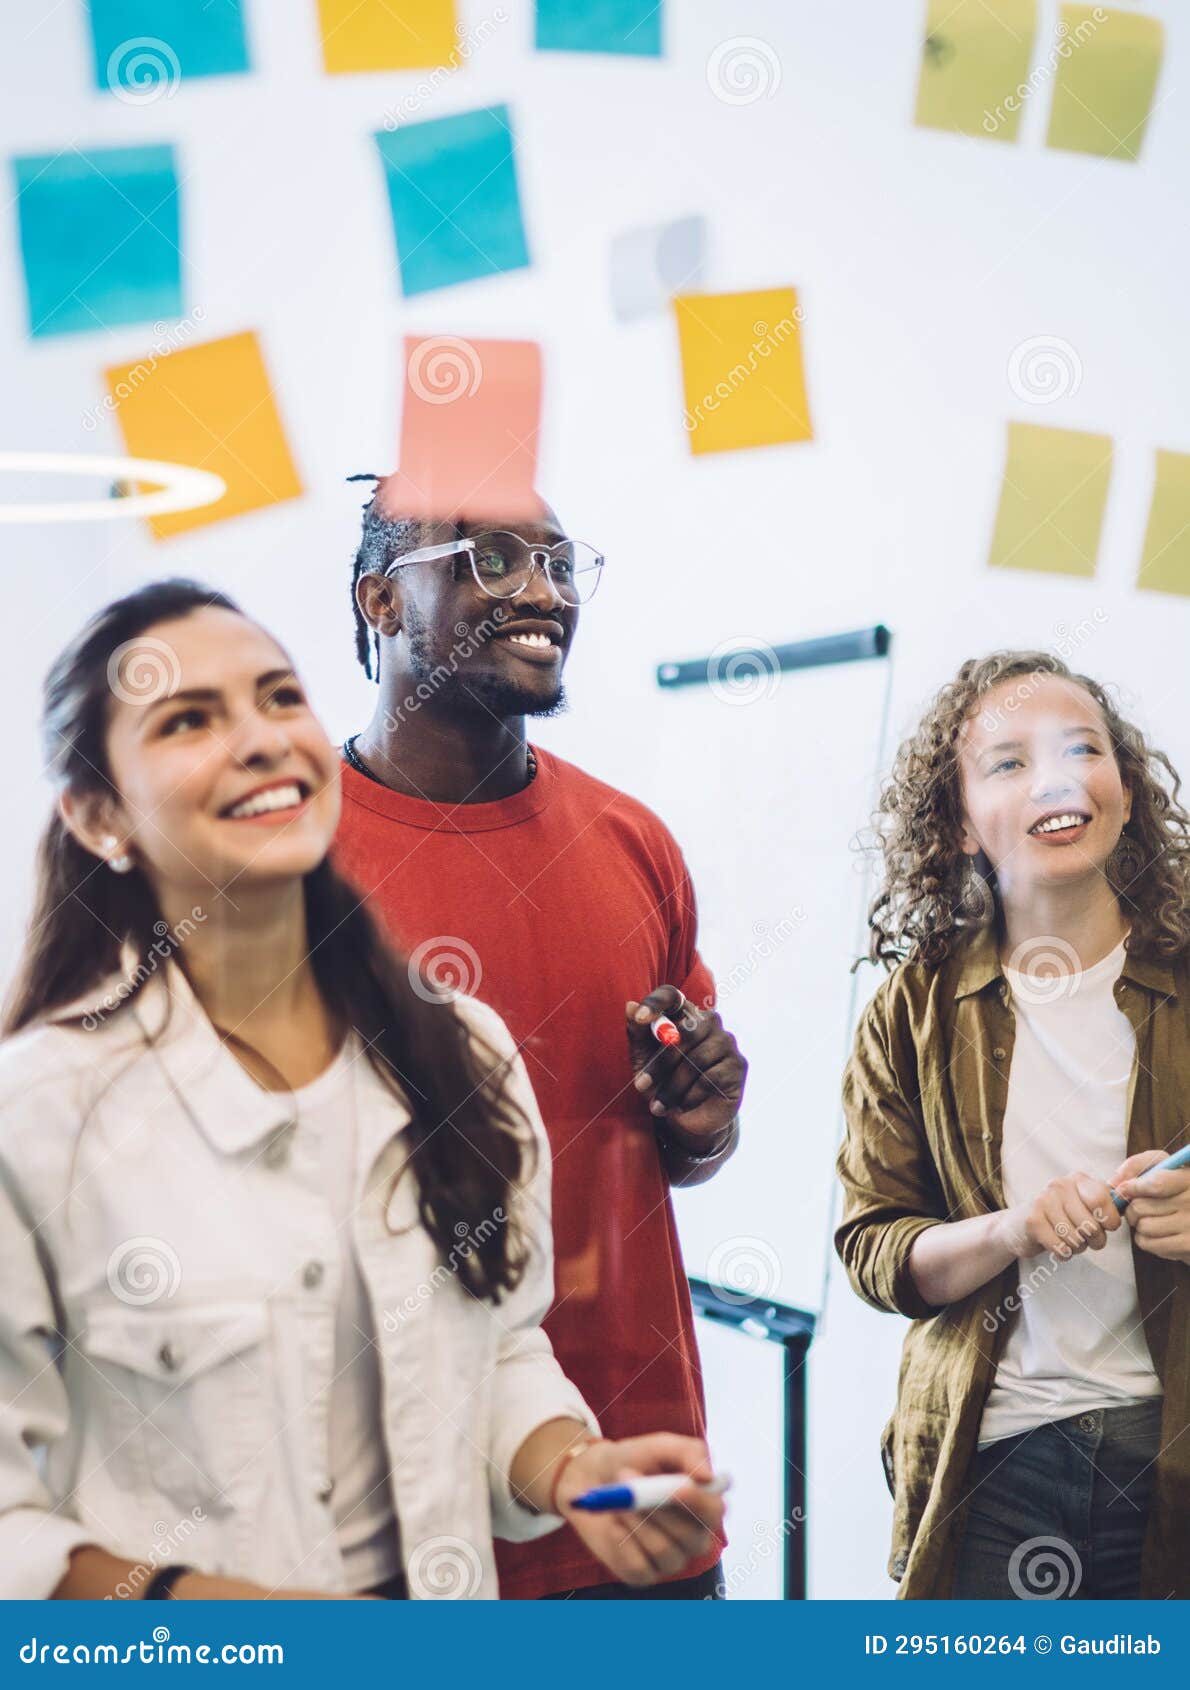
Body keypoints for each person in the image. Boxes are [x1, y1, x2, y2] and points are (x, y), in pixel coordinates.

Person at [0, 578, 726, 1601]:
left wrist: (573, 1469)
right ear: (98, 816)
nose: (260, 739)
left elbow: (495, 1354)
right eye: (188, 720)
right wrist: (215, 1613)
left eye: (278, 697)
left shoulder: (460, 1050)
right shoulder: (39, 1119)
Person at [336, 484, 748, 1598]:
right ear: (381, 601)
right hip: (392, 1520)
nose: (543, 591)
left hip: (637, 1489)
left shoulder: (632, 841)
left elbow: (683, 1155)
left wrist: (705, 1122)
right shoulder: (289, 866)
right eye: (492, 557)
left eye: (561, 564)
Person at [836, 650, 1190, 1600]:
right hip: (994, 1468)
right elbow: (874, 1248)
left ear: (1125, 790)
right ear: (958, 822)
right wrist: (1013, 1230)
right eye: (1010, 763)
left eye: (1084, 750)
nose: (1058, 781)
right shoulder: (910, 1012)